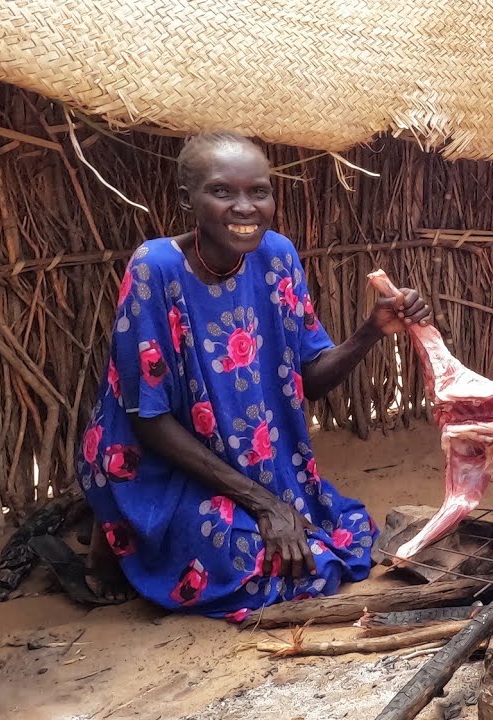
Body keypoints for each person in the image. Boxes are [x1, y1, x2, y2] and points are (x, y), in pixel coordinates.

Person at [67, 132, 430, 619]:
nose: (245, 207)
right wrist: (264, 506)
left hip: (253, 464)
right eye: (222, 192)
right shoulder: (156, 268)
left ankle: (135, 539)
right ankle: (117, 531)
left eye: (259, 192)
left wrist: (371, 331)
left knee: (321, 550)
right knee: (255, 562)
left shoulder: (276, 256)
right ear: (187, 201)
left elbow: (311, 382)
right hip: (157, 461)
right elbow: (147, 420)